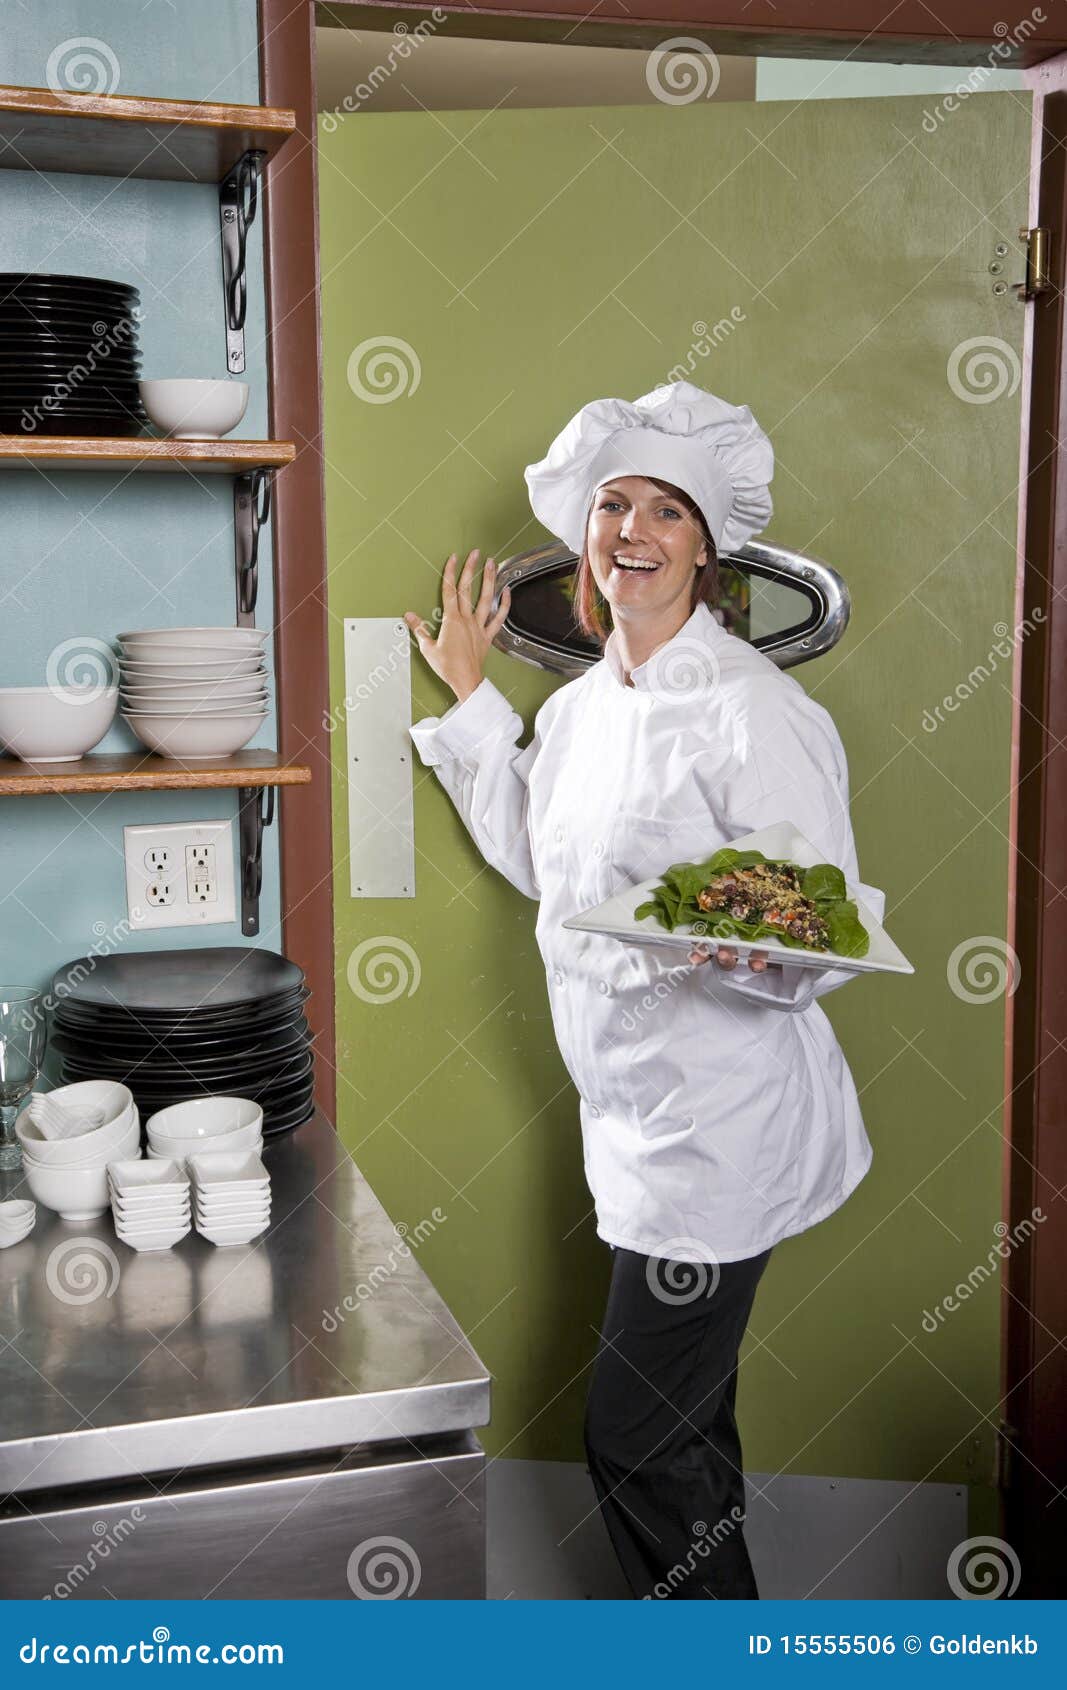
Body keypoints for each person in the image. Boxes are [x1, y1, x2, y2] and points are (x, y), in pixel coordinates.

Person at [403, 380, 885, 1600]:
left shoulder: (754, 711)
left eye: (664, 510)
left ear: (706, 550)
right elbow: (538, 862)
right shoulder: (571, 709)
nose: (631, 529)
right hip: (624, 1110)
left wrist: (755, 946)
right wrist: (471, 699)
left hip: (720, 1125)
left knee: (633, 1437)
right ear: (584, 538)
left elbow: (816, 916)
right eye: (612, 504)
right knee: (686, 1427)